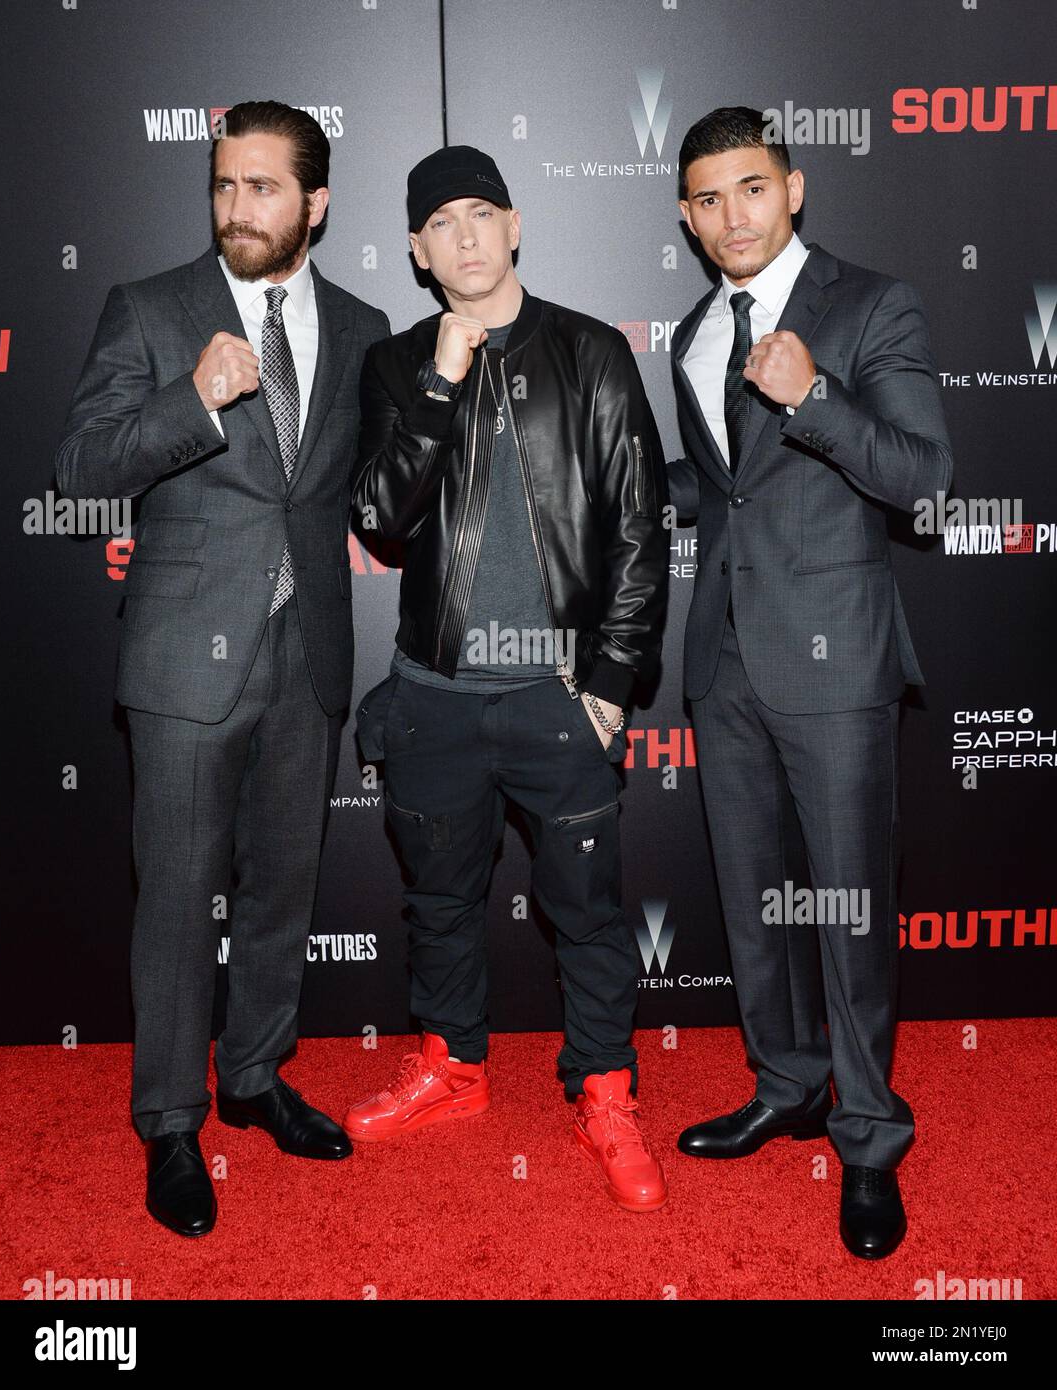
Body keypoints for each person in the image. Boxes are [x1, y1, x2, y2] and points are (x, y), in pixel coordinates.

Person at [55, 101, 390, 1237]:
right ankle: (169, 1120)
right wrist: (189, 397)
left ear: (316, 203)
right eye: (222, 185)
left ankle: (251, 1077)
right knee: (175, 901)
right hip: (184, 658)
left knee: (281, 891)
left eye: (260, 187)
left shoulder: (361, 322)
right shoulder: (151, 309)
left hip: (309, 654)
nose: (236, 208)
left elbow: (358, 494)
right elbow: (86, 461)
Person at [345, 145, 671, 1211]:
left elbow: (637, 522)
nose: (466, 237)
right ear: (415, 248)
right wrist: (440, 382)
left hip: (555, 696)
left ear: (515, 224)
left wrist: (612, 684)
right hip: (433, 693)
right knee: (439, 902)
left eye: (482, 214)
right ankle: (451, 1068)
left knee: (585, 909)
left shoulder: (588, 351)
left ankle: (606, 1089)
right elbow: (380, 517)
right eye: (441, 223)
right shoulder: (395, 365)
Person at [667, 107, 953, 1257]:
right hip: (724, 660)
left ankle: (870, 1135)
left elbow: (925, 478)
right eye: (704, 199)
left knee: (844, 906)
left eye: (748, 189)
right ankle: (785, 1083)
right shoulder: (689, 330)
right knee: (753, 902)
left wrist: (815, 396)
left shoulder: (871, 303)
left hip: (835, 658)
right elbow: (722, 494)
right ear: (685, 217)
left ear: (793, 190)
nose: (728, 216)